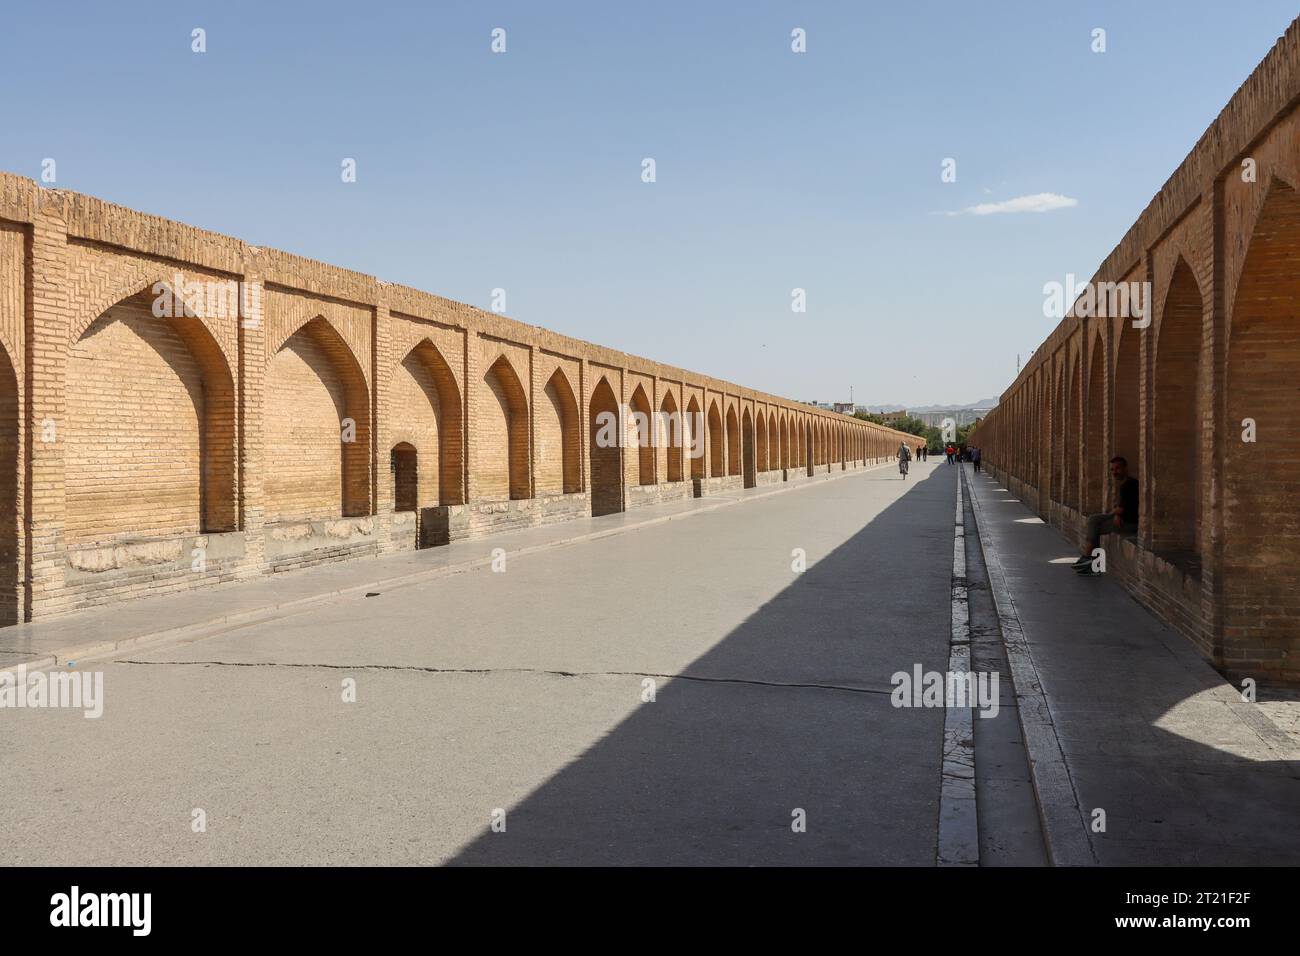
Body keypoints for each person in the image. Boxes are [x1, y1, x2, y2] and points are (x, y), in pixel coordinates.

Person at [1074, 457, 1139, 574]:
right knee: (1093, 519)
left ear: (1125, 468)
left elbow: (1122, 509)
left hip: (1129, 523)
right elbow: (1121, 508)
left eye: (1118, 468)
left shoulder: (1129, 485)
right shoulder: (1125, 484)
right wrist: (1116, 514)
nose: (1115, 472)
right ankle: (1090, 561)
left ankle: (1089, 560)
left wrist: (1116, 514)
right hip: (1122, 518)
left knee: (1095, 526)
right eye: (1112, 469)